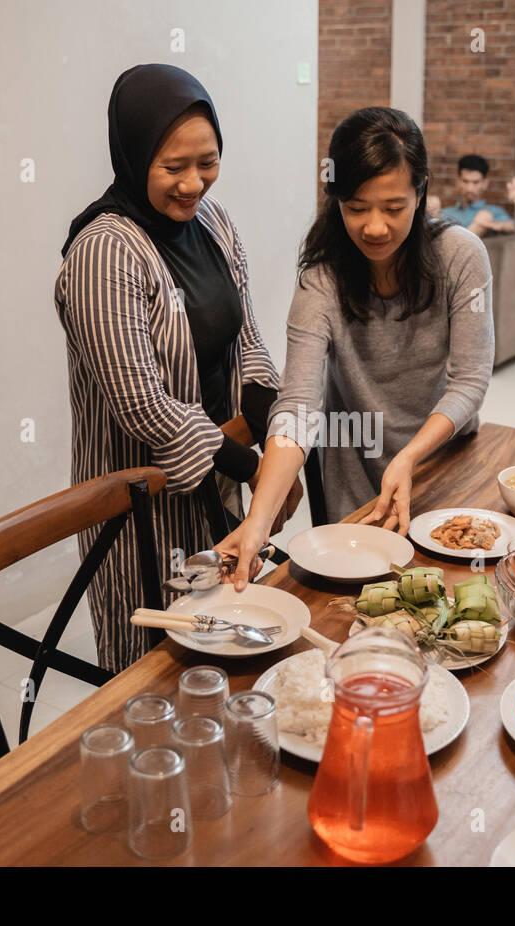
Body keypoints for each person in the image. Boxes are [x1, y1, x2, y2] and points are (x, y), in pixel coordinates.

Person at [54, 64, 300, 672]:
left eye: (208, 162)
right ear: (134, 156)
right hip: (141, 501)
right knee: (152, 668)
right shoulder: (103, 251)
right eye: (173, 167)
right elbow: (143, 402)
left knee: (222, 645)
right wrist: (255, 466)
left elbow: (247, 341)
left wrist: (276, 438)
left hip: (216, 477)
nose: (194, 184)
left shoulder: (212, 223)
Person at [217, 107, 495, 589]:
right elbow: (299, 404)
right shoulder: (321, 279)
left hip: (445, 470)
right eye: (356, 207)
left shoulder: (462, 255)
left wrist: (409, 458)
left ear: (421, 191)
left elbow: (470, 379)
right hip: (361, 490)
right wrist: (257, 522)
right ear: (335, 199)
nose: (374, 227)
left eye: (393, 207)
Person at [438, 154, 515, 238]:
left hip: (471, 247)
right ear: (458, 182)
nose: (470, 189)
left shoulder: (493, 212)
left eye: (476, 182)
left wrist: (489, 224)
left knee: (485, 216)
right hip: (449, 247)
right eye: (465, 181)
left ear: (485, 183)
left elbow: (511, 226)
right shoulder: (445, 213)